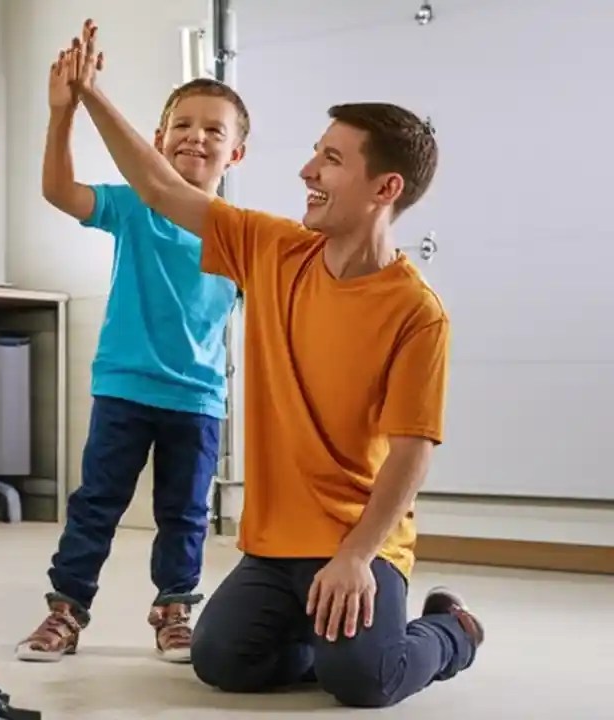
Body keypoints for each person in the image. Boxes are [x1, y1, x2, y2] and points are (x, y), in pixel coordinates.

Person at [56, 19, 483, 708]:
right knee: (222, 661)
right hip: (277, 545)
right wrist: (90, 94)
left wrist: (354, 558)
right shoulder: (272, 248)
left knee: (364, 682)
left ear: (385, 188)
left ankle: (451, 630)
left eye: (332, 160)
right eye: (316, 153)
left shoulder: (416, 311)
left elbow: (411, 453)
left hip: (360, 544)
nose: (307, 171)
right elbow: (162, 190)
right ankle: (331, 634)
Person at [15, 47, 250, 664]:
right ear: (158, 138)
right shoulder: (132, 205)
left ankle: (174, 611)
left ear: (236, 153)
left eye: (213, 130)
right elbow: (58, 189)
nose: (195, 137)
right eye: (182, 125)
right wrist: (62, 112)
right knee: (95, 504)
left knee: (185, 513)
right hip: (123, 387)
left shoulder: (241, 232)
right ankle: (65, 611)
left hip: (197, 399)